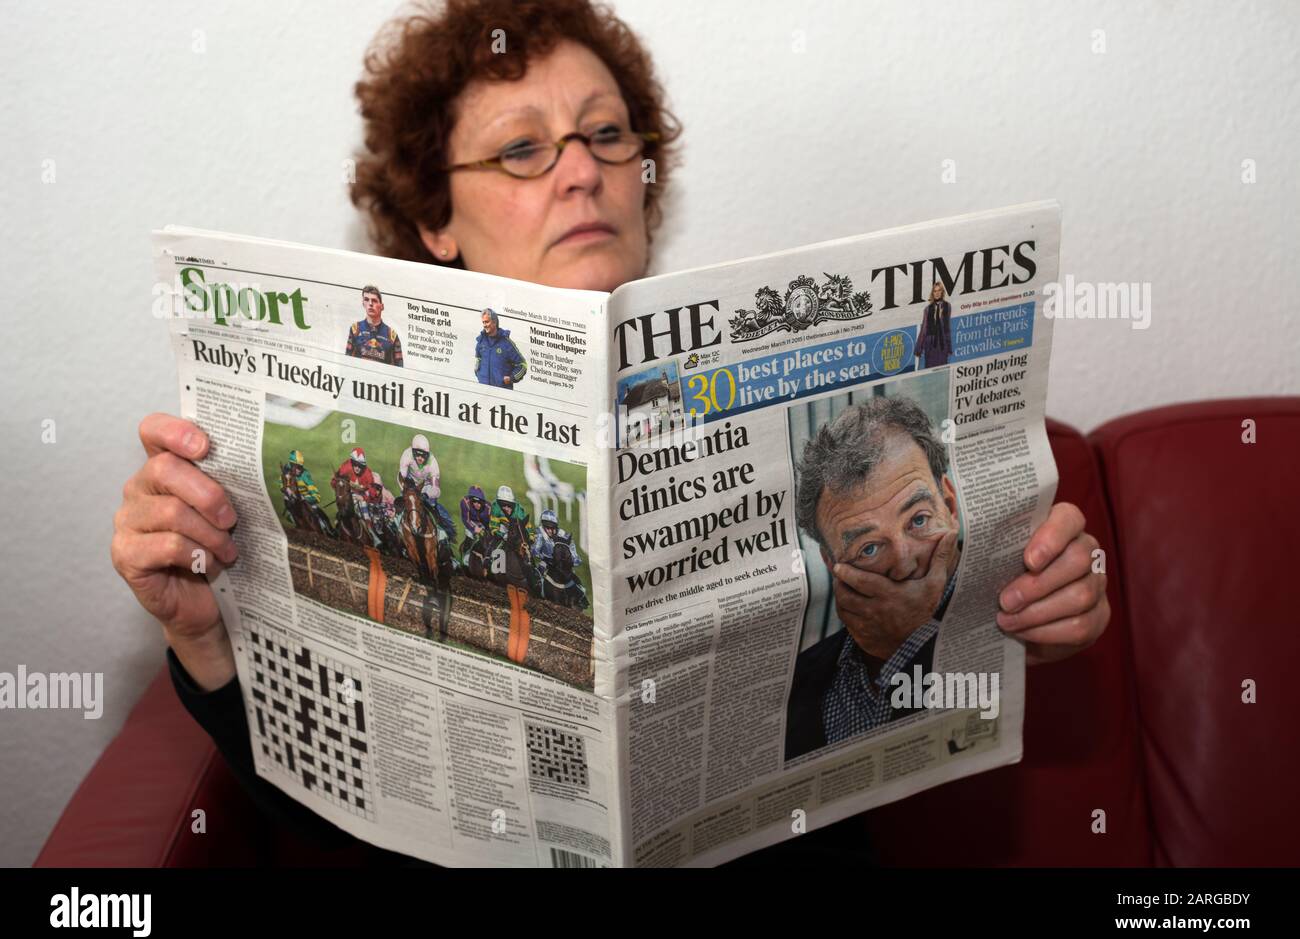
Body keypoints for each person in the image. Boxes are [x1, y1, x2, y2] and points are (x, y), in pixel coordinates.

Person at [111, 0, 1108, 868]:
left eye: (608, 135)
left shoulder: (824, 404)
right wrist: (206, 642)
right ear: (435, 217)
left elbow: (884, 716)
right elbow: (339, 817)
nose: (581, 172)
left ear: (644, 177)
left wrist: (1016, 615)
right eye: (522, 149)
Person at [785, 395, 963, 760]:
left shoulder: (1016, 611)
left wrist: (915, 641)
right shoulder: (797, 684)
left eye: (918, 519)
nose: (904, 563)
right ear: (832, 563)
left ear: (949, 505)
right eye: (868, 548)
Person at [489, 485, 535, 664]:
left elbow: (529, 531)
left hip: (519, 539)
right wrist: (499, 533)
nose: (506, 508)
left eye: (509, 505)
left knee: (529, 555)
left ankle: (534, 577)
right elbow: (492, 526)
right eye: (503, 504)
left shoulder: (520, 511)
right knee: (496, 549)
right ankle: (494, 569)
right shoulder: (495, 508)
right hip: (503, 538)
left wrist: (527, 541)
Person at [396, 433, 457, 542]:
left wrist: (426, 495)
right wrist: (406, 491)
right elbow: (401, 476)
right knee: (403, 504)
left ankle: (444, 532)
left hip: (426, 487)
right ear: (412, 452)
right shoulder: (407, 454)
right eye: (417, 454)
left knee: (433, 506)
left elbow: (437, 490)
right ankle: (396, 526)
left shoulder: (433, 463)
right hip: (410, 485)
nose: (420, 458)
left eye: (423, 455)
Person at [532, 507, 587, 609]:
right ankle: (534, 592)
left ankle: (582, 598)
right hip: (546, 562)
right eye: (547, 527)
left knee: (575, 579)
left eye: (552, 527)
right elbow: (535, 550)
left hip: (563, 566)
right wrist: (547, 558)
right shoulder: (539, 533)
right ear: (543, 525)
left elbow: (575, 555)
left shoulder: (564, 535)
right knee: (538, 572)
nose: (550, 530)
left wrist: (573, 561)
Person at [345, 285, 404, 366]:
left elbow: (400, 368)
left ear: (382, 306)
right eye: (366, 300)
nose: (370, 304)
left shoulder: (392, 335)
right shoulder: (356, 329)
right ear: (363, 304)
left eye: (374, 300)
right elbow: (346, 361)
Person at [474, 308, 528, 389]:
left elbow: (522, 365)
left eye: (487, 322)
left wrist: (511, 378)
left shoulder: (507, 344)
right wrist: (479, 375)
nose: (485, 325)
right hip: (483, 391)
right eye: (483, 322)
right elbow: (478, 359)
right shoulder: (481, 341)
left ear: (494, 322)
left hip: (501, 393)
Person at [916, 280, 953, 370]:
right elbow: (924, 329)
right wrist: (919, 348)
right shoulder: (928, 309)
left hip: (942, 343)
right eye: (935, 291)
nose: (937, 293)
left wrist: (949, 347)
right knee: (930, 370)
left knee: (942, 369)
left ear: (942, 292)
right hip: (930, 344)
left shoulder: (947, 306)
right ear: (932, 293)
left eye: (939, 290)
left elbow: (947, 328)